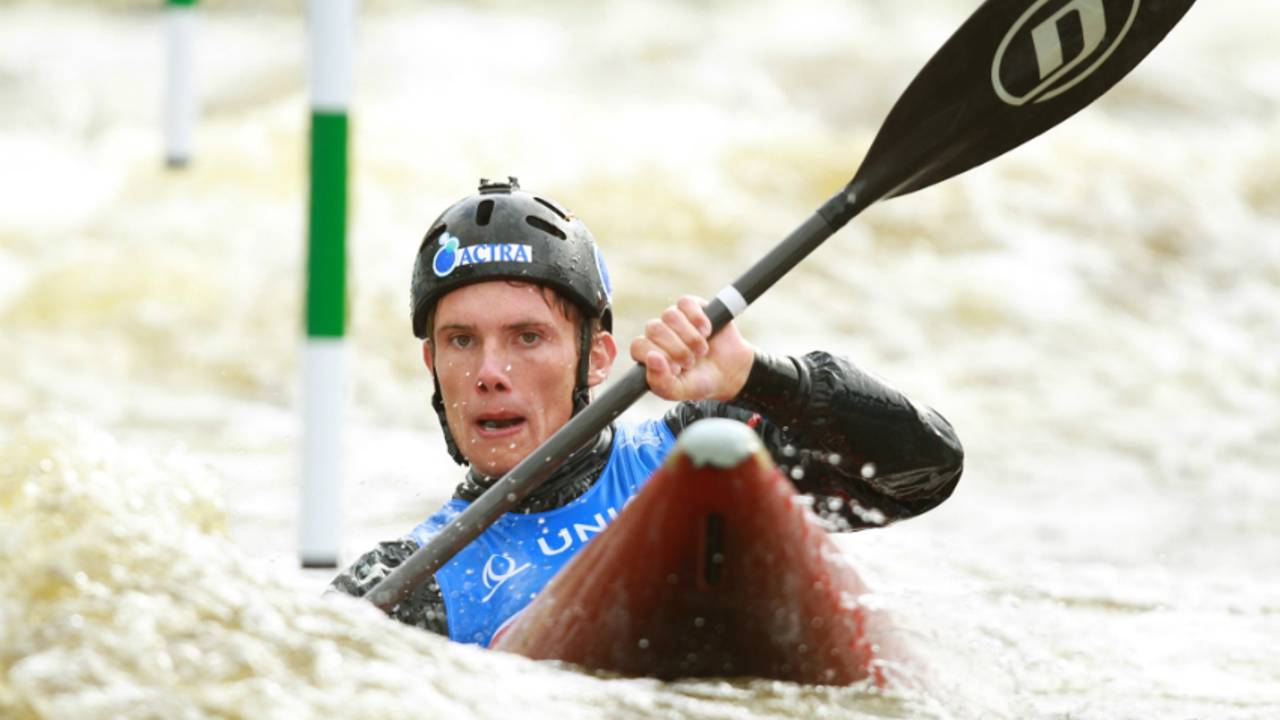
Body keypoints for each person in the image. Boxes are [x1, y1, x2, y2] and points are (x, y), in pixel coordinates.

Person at [329, 177, 963, 646]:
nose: (490, 373)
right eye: (461, 341)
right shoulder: (410, 586)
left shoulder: (699, 453)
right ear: (431, 366)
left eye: (528, 337)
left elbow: (926, 471)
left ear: (597, 359)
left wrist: (758, 378)